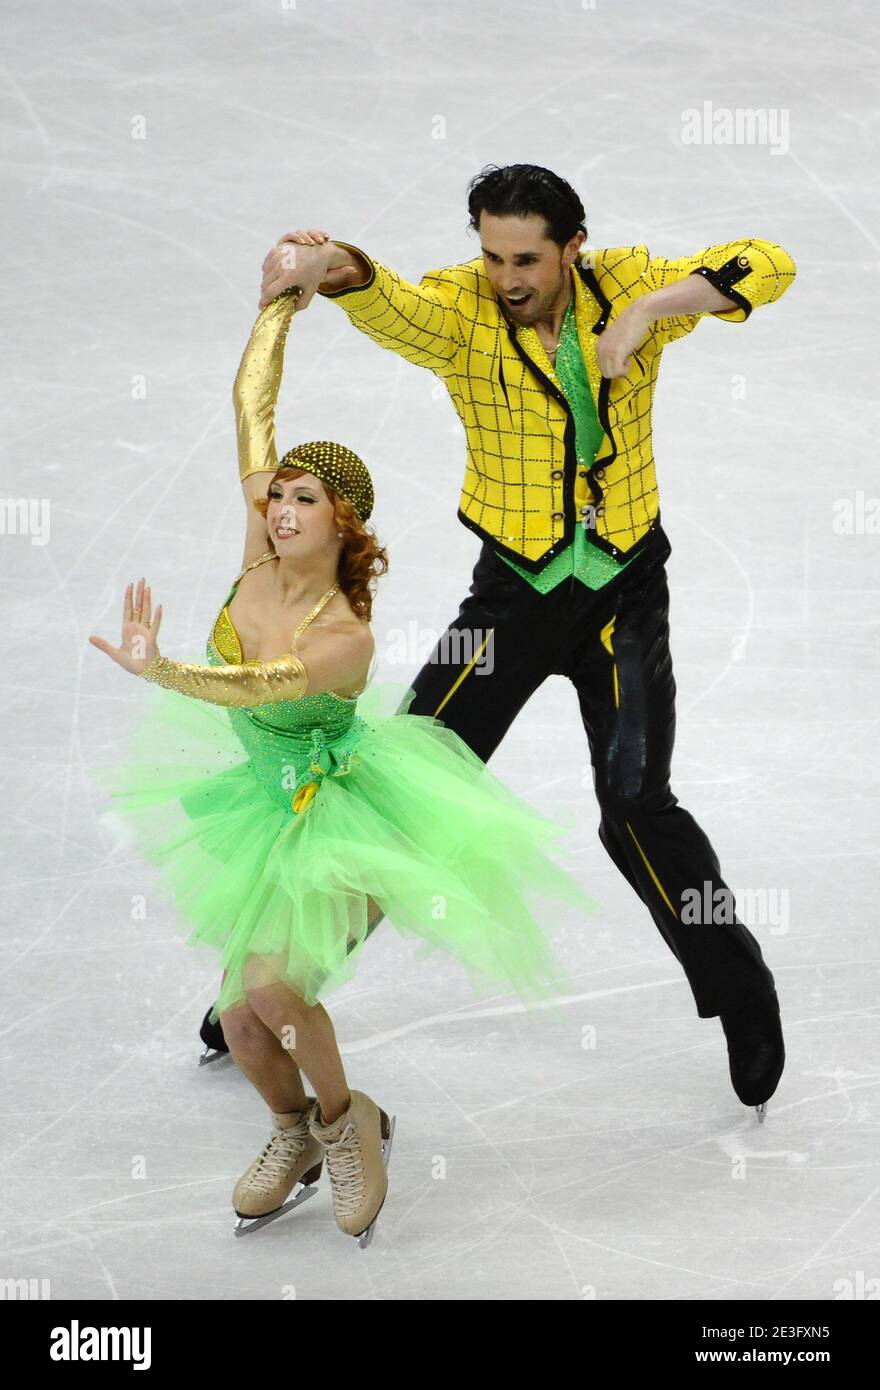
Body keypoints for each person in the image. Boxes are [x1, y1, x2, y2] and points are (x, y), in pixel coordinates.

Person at [251, 163, 797, 1120]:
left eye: (527, 257)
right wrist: (330, 263)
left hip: (625, 595)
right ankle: (271, 984)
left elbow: (769, 263)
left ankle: (742, 990)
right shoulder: (464, 310)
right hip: (511, 604)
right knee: (391, 794)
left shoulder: (628, 284)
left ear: (572, 245)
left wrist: (645, 316)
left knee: (635, 804)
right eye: (492, 253)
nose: (507, 275)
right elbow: (390, 306)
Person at [89, 281, 593, 1247]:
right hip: (263, 808)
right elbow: (252, 408)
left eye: (302, 498)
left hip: (348, 814)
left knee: (278, 994)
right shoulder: (256, 560)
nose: (277, 506)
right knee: (240, 1026)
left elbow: (259, 689)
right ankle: (293, 1131)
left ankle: (347, 1120)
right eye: (276, 493)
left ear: (344, 522)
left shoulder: (343, 637)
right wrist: (281, 305)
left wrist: (165, 670)